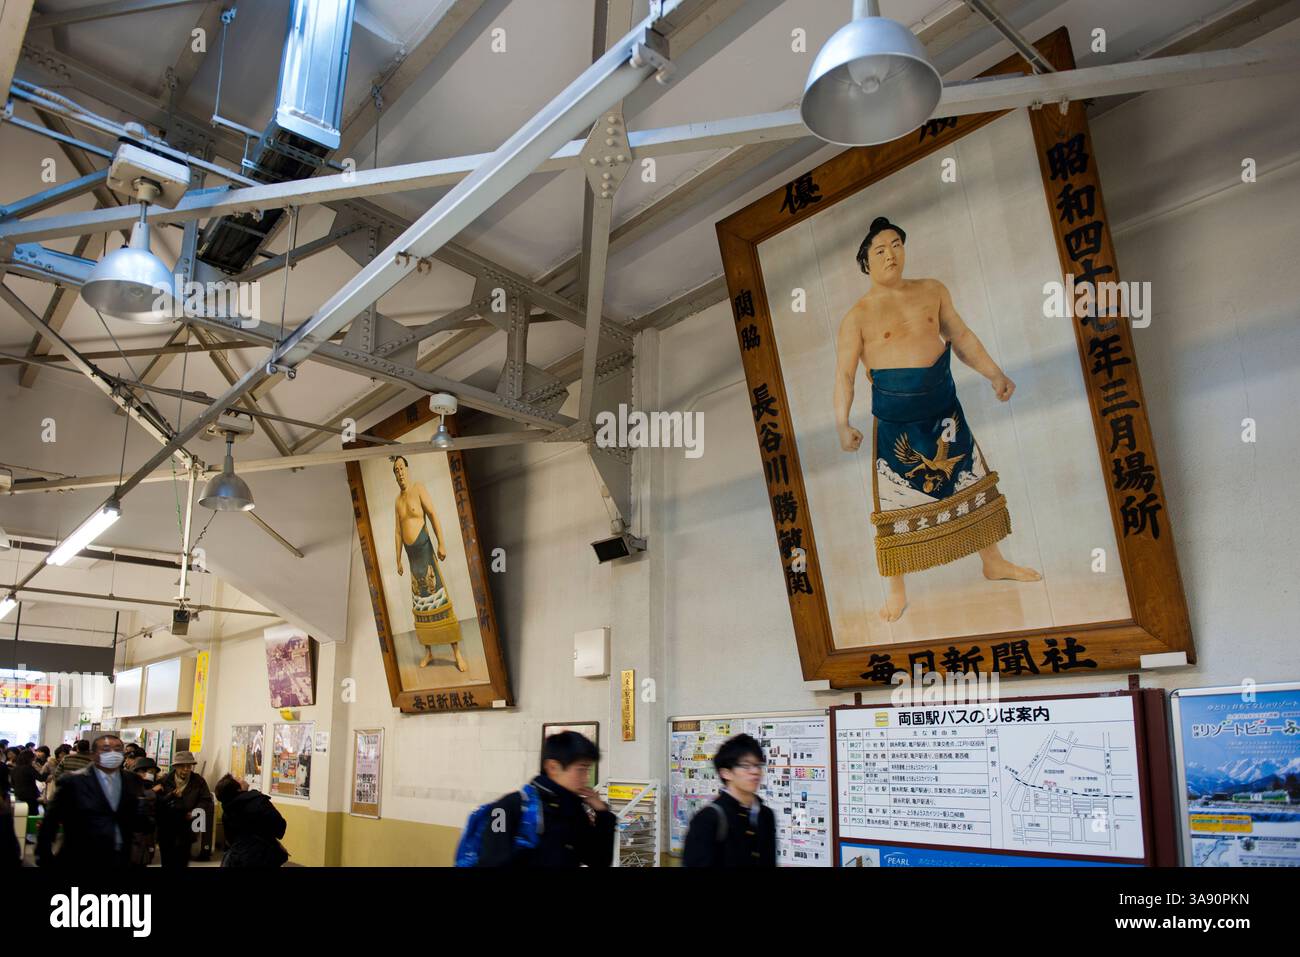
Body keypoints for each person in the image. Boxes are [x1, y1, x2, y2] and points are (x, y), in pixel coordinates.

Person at [834, 216, 1041, 622]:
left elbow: (961, 338)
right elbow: (843, 375)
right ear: (866, 263)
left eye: (896, 244)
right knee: (896, 501)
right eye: (880, 250)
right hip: (896, 420)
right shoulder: (856, 316)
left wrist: (995, 373)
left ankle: (993, 562)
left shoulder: (932, 290)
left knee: (970, 478)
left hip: (944, 406)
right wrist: (842, 422)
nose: (891, 254)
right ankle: (896, 590)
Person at [475, 731, 615, 867]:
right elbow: (490, 862)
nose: (587, 778)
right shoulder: (508, 807)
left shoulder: (574, 810)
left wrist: (603, 813)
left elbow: (599, 860)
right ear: (553, 767)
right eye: (581, 769)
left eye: (588, 769)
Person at [392, 455, 467, 671]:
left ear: (407, 468)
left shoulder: (419, 489)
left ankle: (457, 653)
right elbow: (397, 532)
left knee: (440, 599)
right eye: (396, 470)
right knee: (420, 604)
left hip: (425, 552)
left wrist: (441, 543)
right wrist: (397, 559)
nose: (400, 473)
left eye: (401, 468)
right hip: (412, 558)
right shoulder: (397, 501)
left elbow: (433, 514)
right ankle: (428, 651)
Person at [35, 733, 142, 868]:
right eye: (107, 749)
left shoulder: (132, 780)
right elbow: (51, 820)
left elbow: (134, 819)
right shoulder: (73, 781)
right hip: (81, 855)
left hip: (119, 856)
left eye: (118, 749)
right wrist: (44, 856)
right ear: (94, 754)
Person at [683, 734, 777, 868]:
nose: (755, 771)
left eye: (758, 765)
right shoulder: (707, 819)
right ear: (725, 773)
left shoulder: (766, 815)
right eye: (746, 765)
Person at [214, 774, 288, 867]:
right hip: (262, 858)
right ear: (238, 789)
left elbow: (230, 840)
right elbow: (280, 828)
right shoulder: (258, 802)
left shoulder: (227, 811)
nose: (242, 778)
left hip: (237, 858)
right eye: (239, 779)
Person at [154, 751, 213, 866]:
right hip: (167, 827)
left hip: (187, 826)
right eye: (182, 766)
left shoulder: (198, 781)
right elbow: (157, 803)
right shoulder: (165, 781)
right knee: (167, 860)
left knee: (183, 859)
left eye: (189, 766)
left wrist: (195, 812)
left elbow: (206, 800)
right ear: (175, 766)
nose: (186, 769)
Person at [128, 758, 161, 866]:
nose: (151, 775)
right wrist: (152, 792)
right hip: (136, 834)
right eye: (149, 772)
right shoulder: (131, 784)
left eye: (153, 772)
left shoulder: (152, 785)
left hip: (148, 833)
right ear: (140, 772)